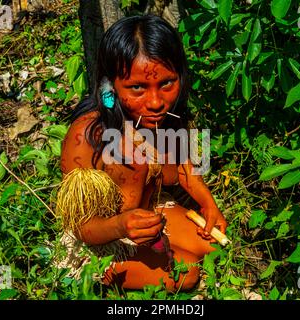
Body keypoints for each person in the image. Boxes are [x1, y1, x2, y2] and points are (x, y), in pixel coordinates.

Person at [59, 14, 227, 291]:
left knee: (215, 247)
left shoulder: (167, 120)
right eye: (137, 88)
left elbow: (185, 168)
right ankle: (92, 279)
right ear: (110, 84)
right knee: (188, 273)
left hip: (153, 212)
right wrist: (121, 226)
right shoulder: (87, 135)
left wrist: (208, 203)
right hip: (100, 242)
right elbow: (80, 226)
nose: (155, 102)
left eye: (166, 84)